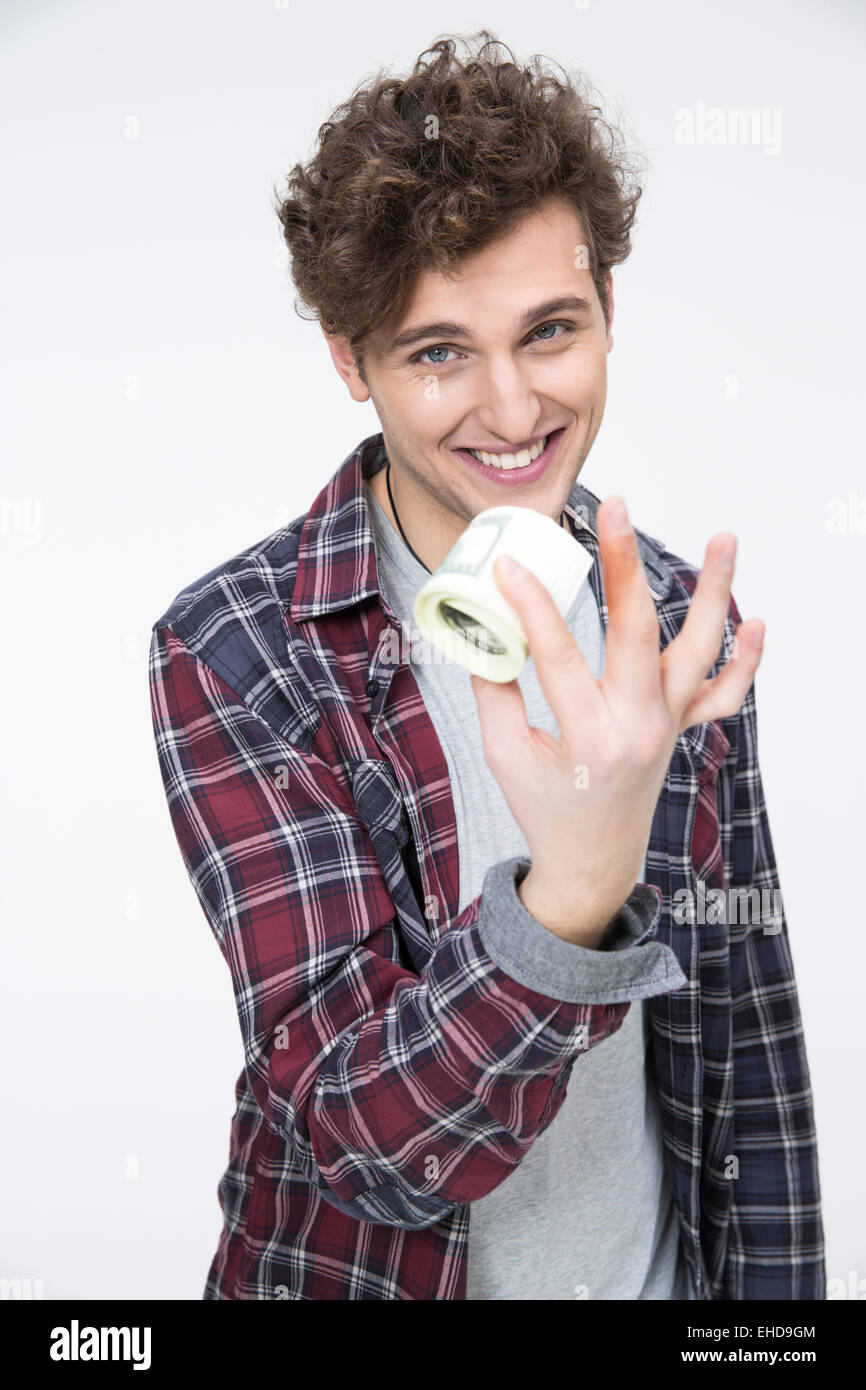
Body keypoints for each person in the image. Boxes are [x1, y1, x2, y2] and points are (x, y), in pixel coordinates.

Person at [148, 31, 824, 1300]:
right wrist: (570, 888)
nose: (511, 412)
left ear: (608, 312)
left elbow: (748, 1061)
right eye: (438, 351)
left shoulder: (675, 617)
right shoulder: (236, 652)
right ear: (351, 361)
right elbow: (368, 1143)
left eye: (549, 331)